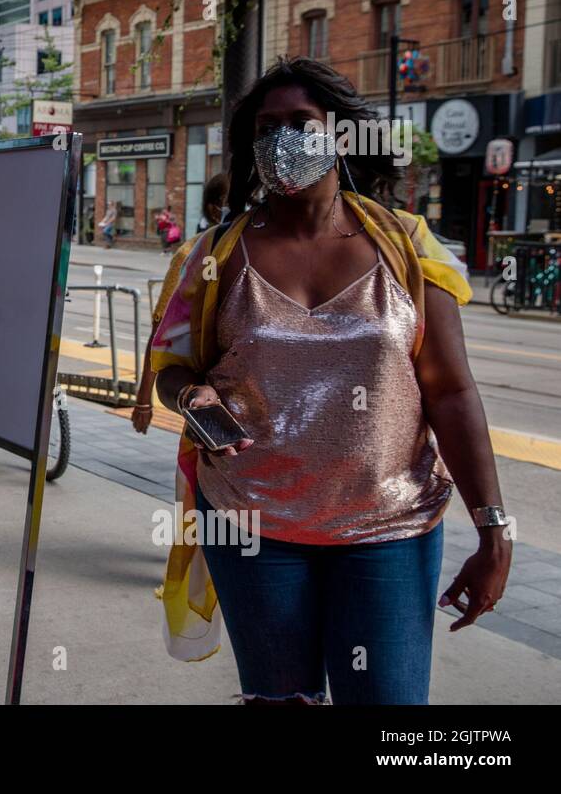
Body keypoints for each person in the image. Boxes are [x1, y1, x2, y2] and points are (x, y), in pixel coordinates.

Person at [150, 57, 510, 704]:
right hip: (251, 527)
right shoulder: (212, 257)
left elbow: (452, 392)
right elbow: (171, 372)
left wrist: (492, 528)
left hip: (388, 533)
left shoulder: (407, 245)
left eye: (301, 122)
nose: (283, 139)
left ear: (340, 135)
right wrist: (191, 397)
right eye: (266, 127)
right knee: (280, 699)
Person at [132, 173, 227, 434]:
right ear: (215, 208)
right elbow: (161, 330)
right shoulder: (193, 252)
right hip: (207, 405)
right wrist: (143, 399)